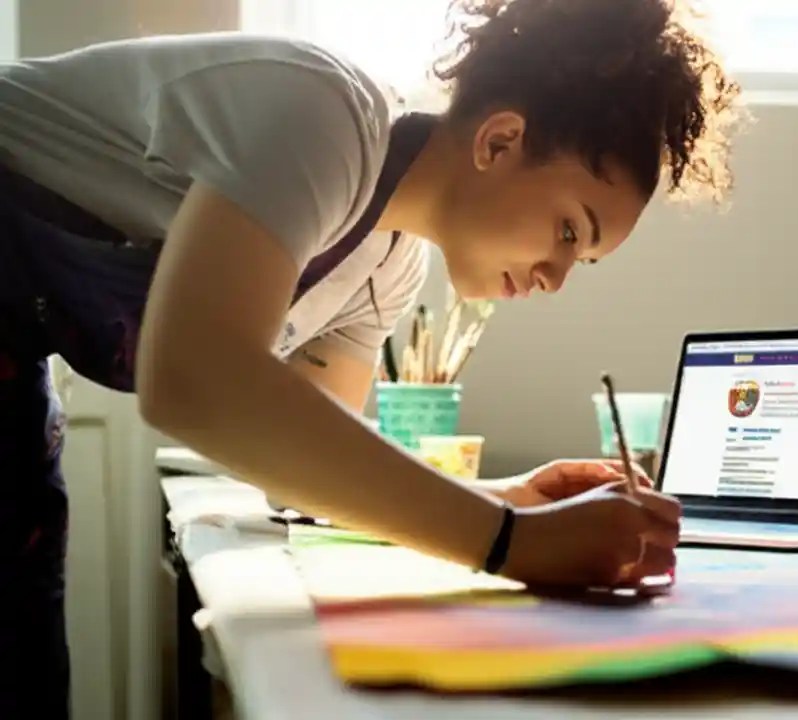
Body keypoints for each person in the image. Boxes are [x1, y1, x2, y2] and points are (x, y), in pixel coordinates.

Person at [0, 0, 742, 715]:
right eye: (570, 232)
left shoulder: (390, 269)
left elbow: (305, 474)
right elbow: (193, 378)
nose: (554, 276)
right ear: (500, 141)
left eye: (583, 259)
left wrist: (504, 499)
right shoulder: (325, 114)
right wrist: (510, 544)